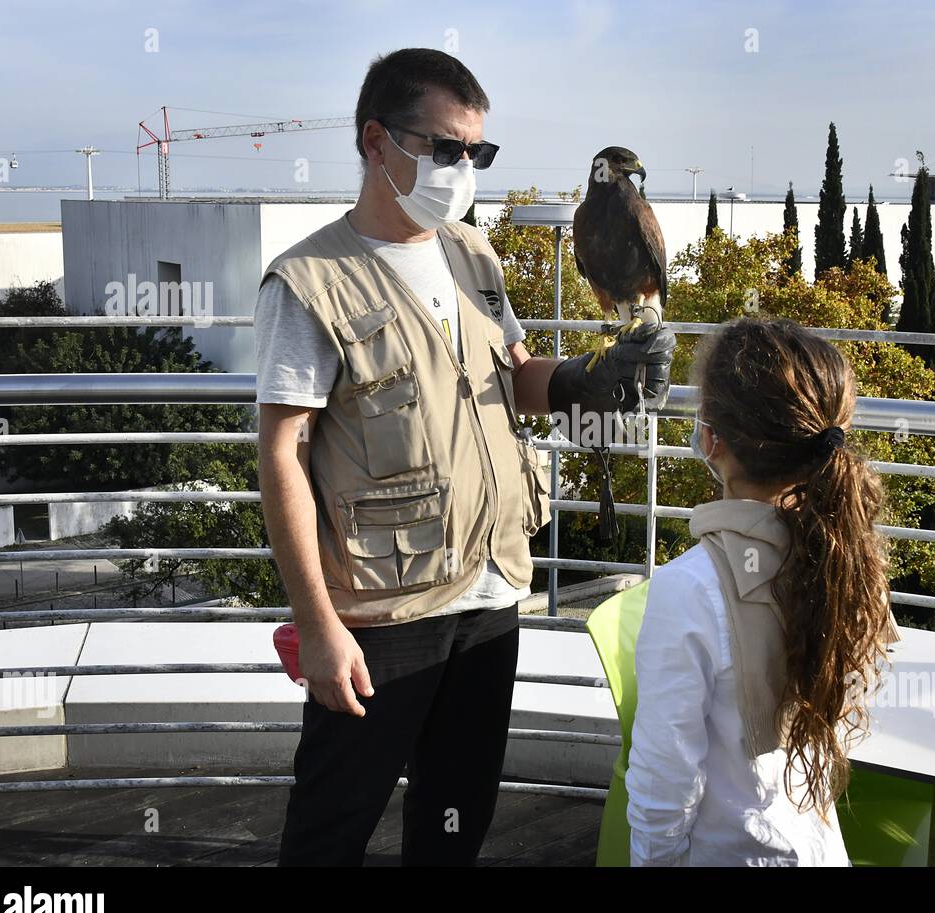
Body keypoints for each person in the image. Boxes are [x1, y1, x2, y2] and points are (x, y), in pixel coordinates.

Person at [255, 47, 674, 866]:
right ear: (377, 143)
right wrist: (318, 623)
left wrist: (593, 377)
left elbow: (514, 381)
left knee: (456, 818)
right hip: (383, 614)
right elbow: (281, 458)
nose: (463, 169)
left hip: (490, 587)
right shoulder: (309, 283)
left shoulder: (471, 255)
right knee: (331, 826)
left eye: (476, 153)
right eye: (445, 148)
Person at [625, 316, 900, 866]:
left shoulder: (688, 589)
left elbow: (662, 789)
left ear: (712, 439)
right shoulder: (842, 556)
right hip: (815, 848)